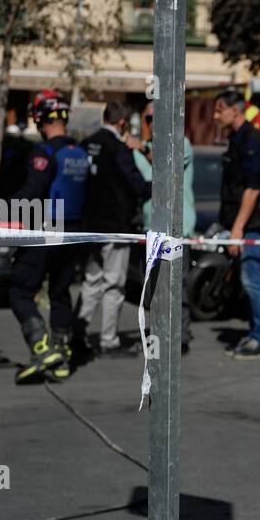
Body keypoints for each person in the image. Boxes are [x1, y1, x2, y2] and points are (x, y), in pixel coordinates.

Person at [9, 89, 91, 384]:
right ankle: (63, 358)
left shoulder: (45, 153)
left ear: (40, 118)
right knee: (60, 293)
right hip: (75, 232)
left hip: (46, 228)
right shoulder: (81, 153)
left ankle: (42, 348)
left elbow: (32, 192)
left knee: (19, 289)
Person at [79, 99, 151, 358]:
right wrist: (156, 186)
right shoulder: (117, 148)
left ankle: (78, 332)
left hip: (91, 224)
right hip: (116, 224)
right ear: (122, 123)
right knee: (114, 284)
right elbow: (136, 184)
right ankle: (108, 341)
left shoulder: (88, 143)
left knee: (92, 280)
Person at [213, 86, 260, 359]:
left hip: (251, 224)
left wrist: (238, 228)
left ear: (234, 110)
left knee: (251, 279)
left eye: (219, 110)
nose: (216, 116)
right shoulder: (237, 139)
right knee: (246, 278)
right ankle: (255, 335)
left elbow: (252, 188)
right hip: (241, 223)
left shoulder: (251, 141)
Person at [133, 99, 196, 353]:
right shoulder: (141, 149)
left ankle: (180, 338)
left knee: (176, 287)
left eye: (155, 118)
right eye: (148, 119)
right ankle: (158, 334)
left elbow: (164, 167)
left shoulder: (182, 143)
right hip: (152, 228)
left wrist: (139, 148)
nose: (152, 124)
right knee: (152, 289)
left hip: (176, 228)